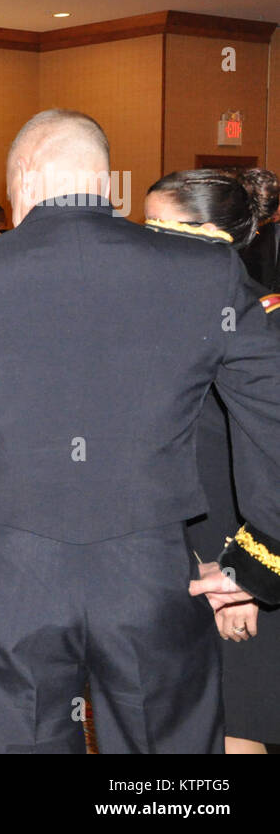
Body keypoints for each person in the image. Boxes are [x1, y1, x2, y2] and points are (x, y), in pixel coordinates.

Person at [0, 109, 280, 753]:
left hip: (14, 572)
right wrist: (263, 557)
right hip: (152, 569)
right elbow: (270, 415)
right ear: (105, 180)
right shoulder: (204, 268)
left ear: (23, 177)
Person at [144, 166, 280, 755]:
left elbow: (262, 465)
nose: (144, 241)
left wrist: (244, 578)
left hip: (239, 562)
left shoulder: (254, 320)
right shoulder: (173, 318)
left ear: (210, 237)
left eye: (158, 227)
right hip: (186, 558)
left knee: (236, 728)